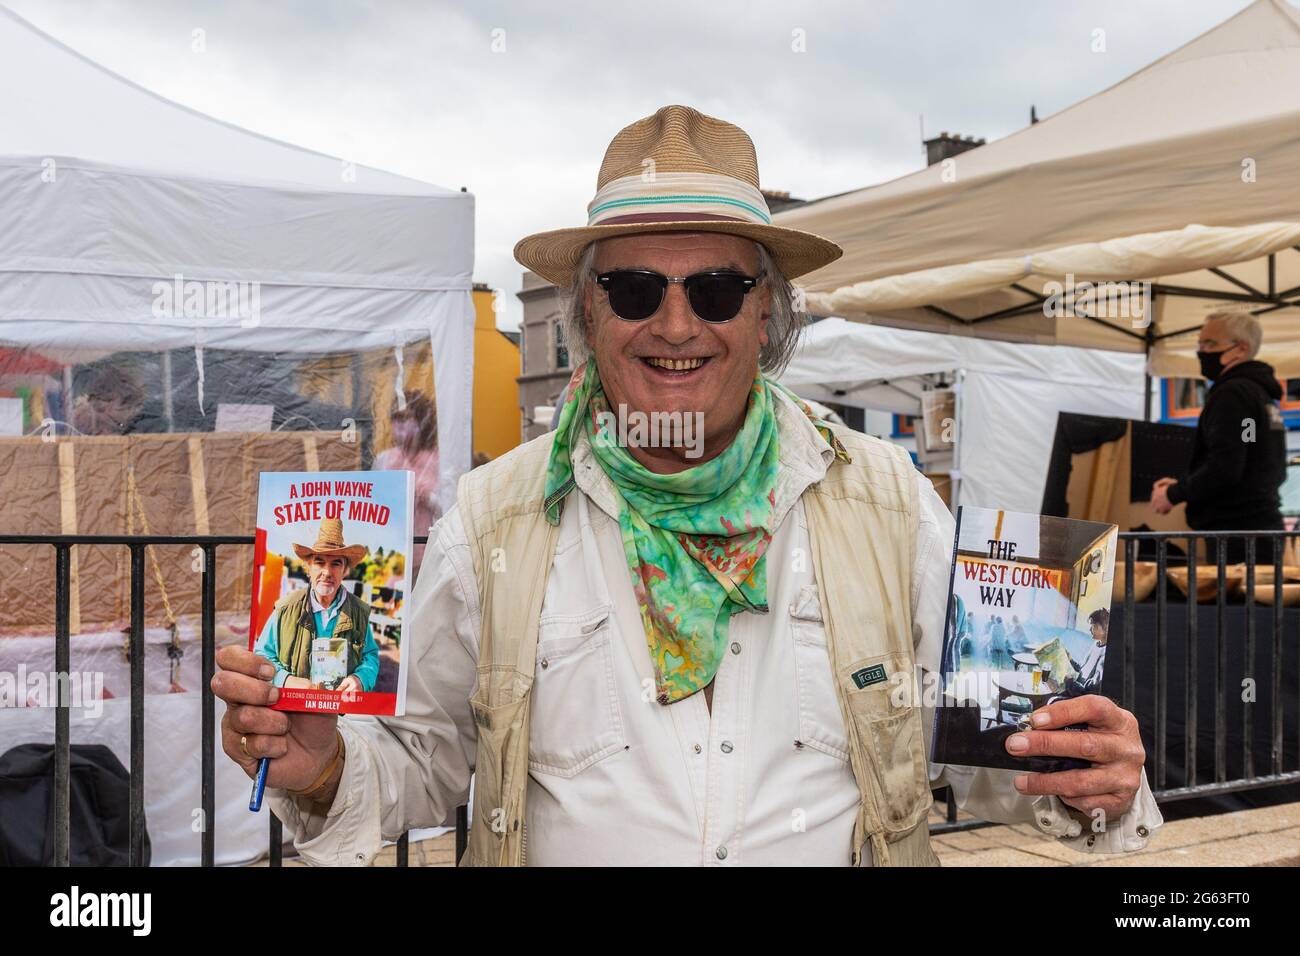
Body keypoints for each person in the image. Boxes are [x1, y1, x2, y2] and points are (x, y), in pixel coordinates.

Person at [214, 105, 1159, 866]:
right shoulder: (491, 518)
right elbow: (424, 763)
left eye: (714, 290)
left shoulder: (889, 502)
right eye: (633, 289)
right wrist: (323, 768)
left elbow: (989, 759)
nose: (675, 325)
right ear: (586, 312)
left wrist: (1089, 775)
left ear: (765, 317)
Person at [1150, 311, 1287, 566]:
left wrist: (1173, 493)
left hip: (1235, 537)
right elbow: (1244, 450)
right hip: (1260, 528)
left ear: (1240, 349)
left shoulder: (1233, 395)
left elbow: (1226, 466)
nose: (1201, 351)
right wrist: (1186, 484)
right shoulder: (1258, 395)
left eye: (1210, 344)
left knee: (1236, 605)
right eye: (1200, 344)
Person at [253, 517, 379, 694]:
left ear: (345, 571)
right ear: (308, 568)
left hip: (342, 711)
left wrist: (361, 678)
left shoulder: (360, 612)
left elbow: (370, 656)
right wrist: (286, 680)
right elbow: (262, 655)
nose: (327, 572)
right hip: (294, 709)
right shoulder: (285, 609)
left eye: (336, 563)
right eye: (320, 562)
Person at [374, 391, 440, 575]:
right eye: (396, 419)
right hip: (391, 552)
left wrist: (426, 496)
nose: (400, 426)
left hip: (428, 555)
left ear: (422, 421)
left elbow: (450, 507)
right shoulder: (384, 459)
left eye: (407, 418)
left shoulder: (438, 461)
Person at [1062, 608, 1108, 698]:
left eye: (1094, 626)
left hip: (1083, 697)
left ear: (1105, 628)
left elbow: (1091, 690)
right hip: (1076, 688)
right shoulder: (1096, 645)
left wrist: (1069, 682)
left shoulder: (1105, 654)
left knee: (1053, 700)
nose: (1090, 629)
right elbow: (1082, 670)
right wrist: (1070, 659)